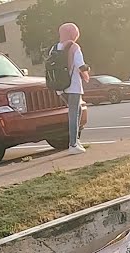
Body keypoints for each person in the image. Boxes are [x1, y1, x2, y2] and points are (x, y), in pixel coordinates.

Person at [56, 23, 89, 154]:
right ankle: (73, 144)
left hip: (60, 87)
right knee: (74, 113)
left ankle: (76, 140)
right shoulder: (74, 47)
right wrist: (87, 71)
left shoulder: (55, 47)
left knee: (78, 109)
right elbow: (80, 65)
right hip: (73, 85)